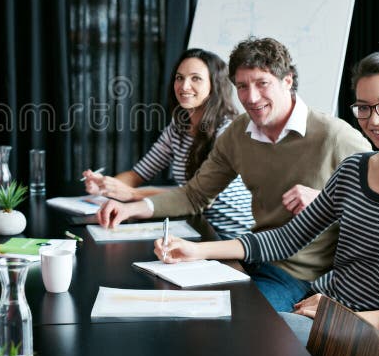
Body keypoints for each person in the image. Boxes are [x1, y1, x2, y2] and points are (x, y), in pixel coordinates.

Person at [154, 47, 379, 356]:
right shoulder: (354, 169)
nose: (374, 119)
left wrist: (352, 319)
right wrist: (196, 251)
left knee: (239, 337)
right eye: (364, 108)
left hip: (376, 342)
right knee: (216, 328)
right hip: (323, 313)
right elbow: (284, 239)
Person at [97, 37, 371, 312]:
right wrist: (131, 208)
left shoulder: (336, 137)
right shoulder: (238, 133)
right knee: (169, 300)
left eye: (262, 83)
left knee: (230, 320)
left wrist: (327, 201)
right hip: (253, 254)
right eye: (242, 86)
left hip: (300, 275)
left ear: (287, 81)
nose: (251, 98)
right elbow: (194, 195)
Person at [82, 48, 255, 238]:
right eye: (179, 78)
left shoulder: (227, 131)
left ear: (215, 85)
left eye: (195, 78)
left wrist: (132, 194)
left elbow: (194, 197)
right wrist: (107, 186)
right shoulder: (177, 127)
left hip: (232, 237)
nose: (184, 86)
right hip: (193, 228)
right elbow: (138, 173)